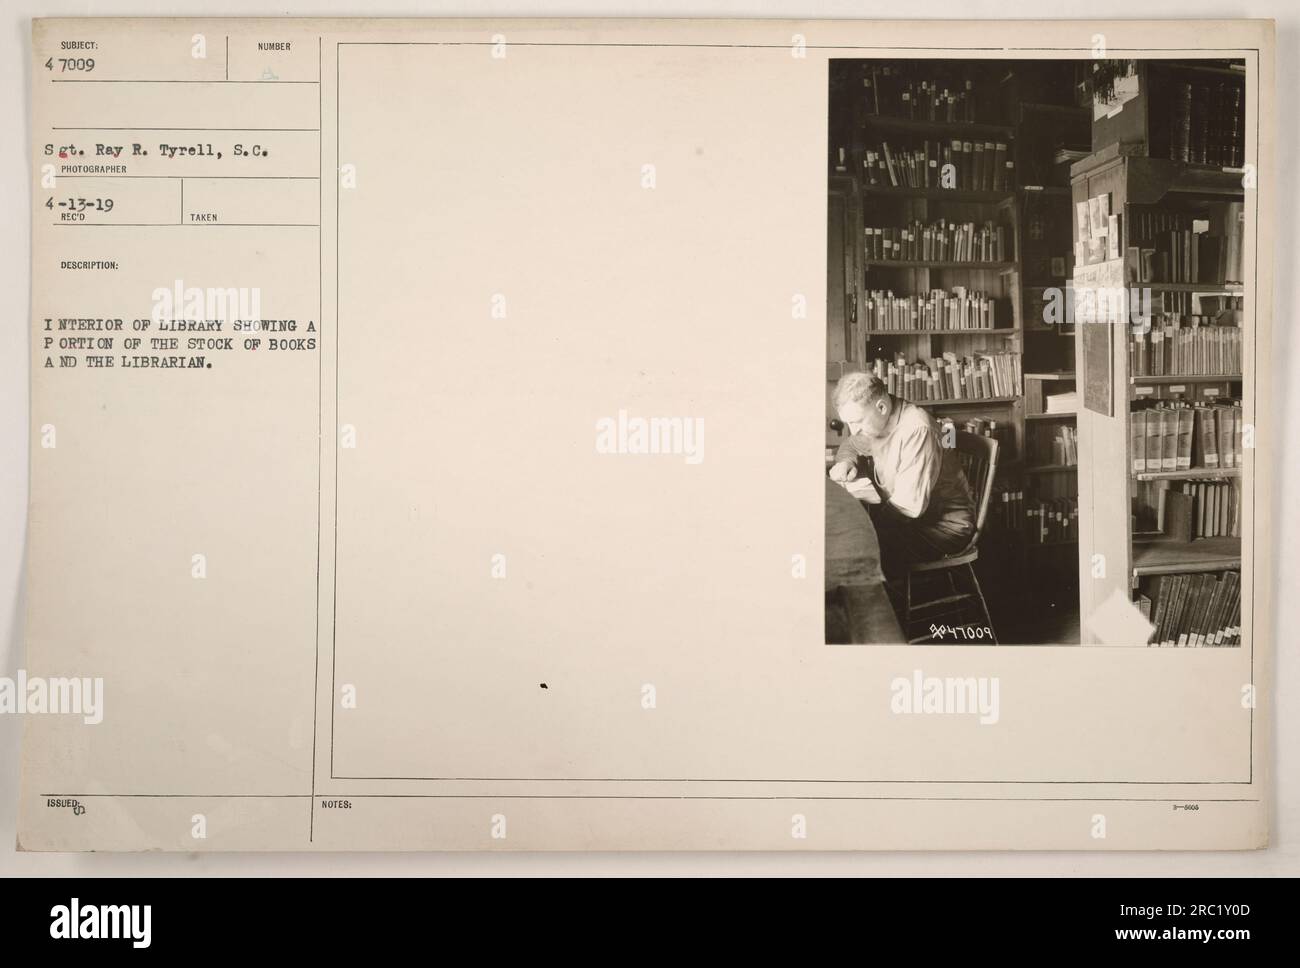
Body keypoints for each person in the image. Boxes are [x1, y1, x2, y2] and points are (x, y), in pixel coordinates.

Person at [828, 371, 976, 577]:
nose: (853, 430)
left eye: (857, 422)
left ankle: (877, 606)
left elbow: (907, 507)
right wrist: (846, 461)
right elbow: (851, 445)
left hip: (944, 527)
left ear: (881, 406)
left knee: (846, 552)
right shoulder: (876, 421)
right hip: (909, 519)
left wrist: (861, 530)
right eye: (848, 423)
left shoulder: (917, 429)